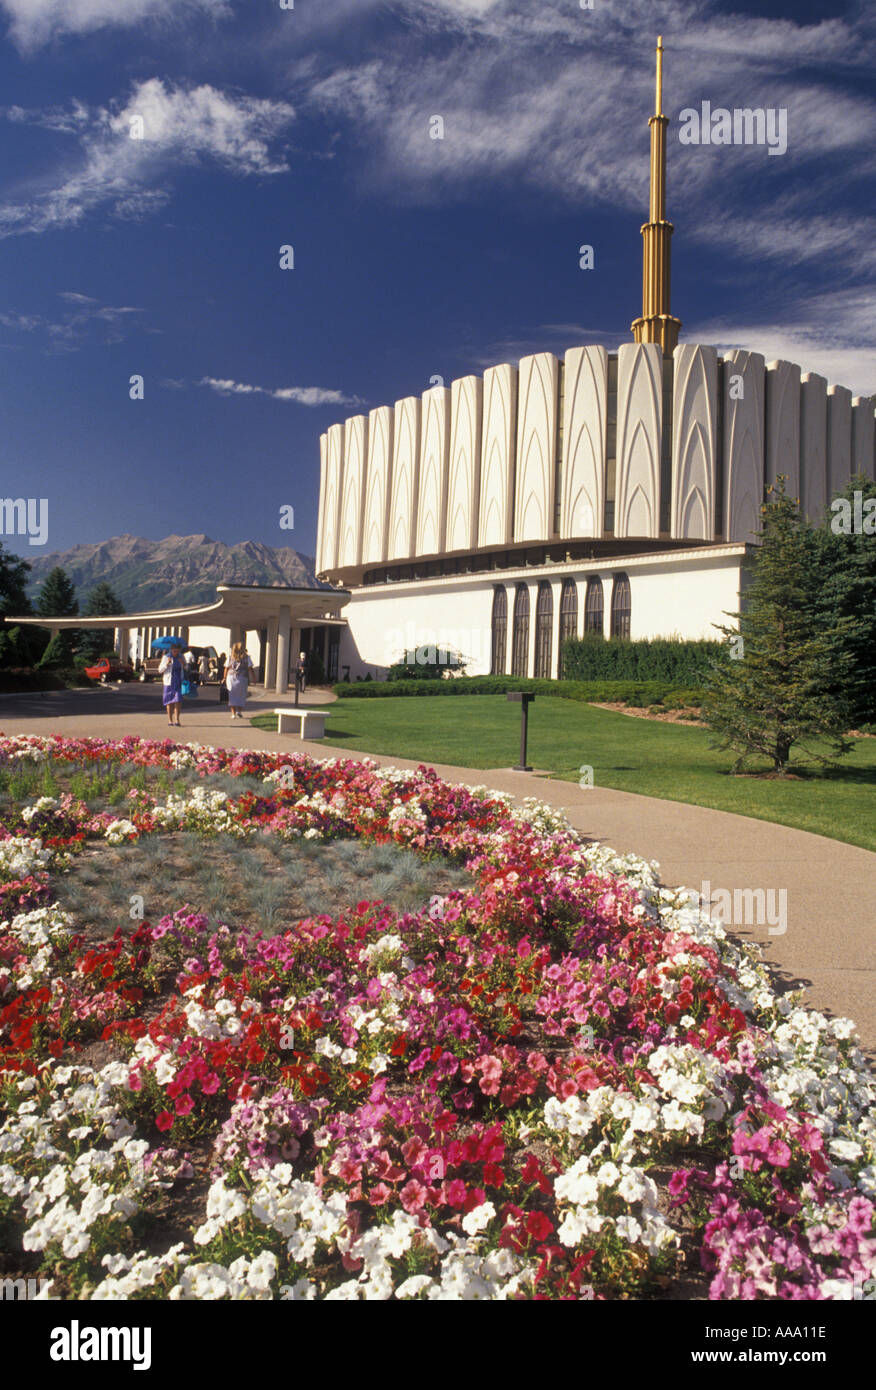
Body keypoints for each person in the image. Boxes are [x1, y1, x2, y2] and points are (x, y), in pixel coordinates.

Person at [224, 641, 255, 719]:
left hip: (231, 677)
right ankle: (239, 711)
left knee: (232, 695)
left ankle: (233, 713)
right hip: (242, 677)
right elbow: (250, 669)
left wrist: (224, 678)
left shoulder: (230, 657)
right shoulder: (247, 658)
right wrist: (253, 678)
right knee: (241, 695)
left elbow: (226, 668)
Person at [158, 642, 185, 727]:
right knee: (169, 702)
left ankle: (177, 720)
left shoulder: (181, 657)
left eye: (177, 651)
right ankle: (170, 720)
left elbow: (187, 668)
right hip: (169, 682)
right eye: (174, 651)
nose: (176, 653)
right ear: (171, 650)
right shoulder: (166, 657)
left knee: (178, 701)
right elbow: (160, 670)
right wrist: (167, 664)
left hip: (178, 681)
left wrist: (183, 664)